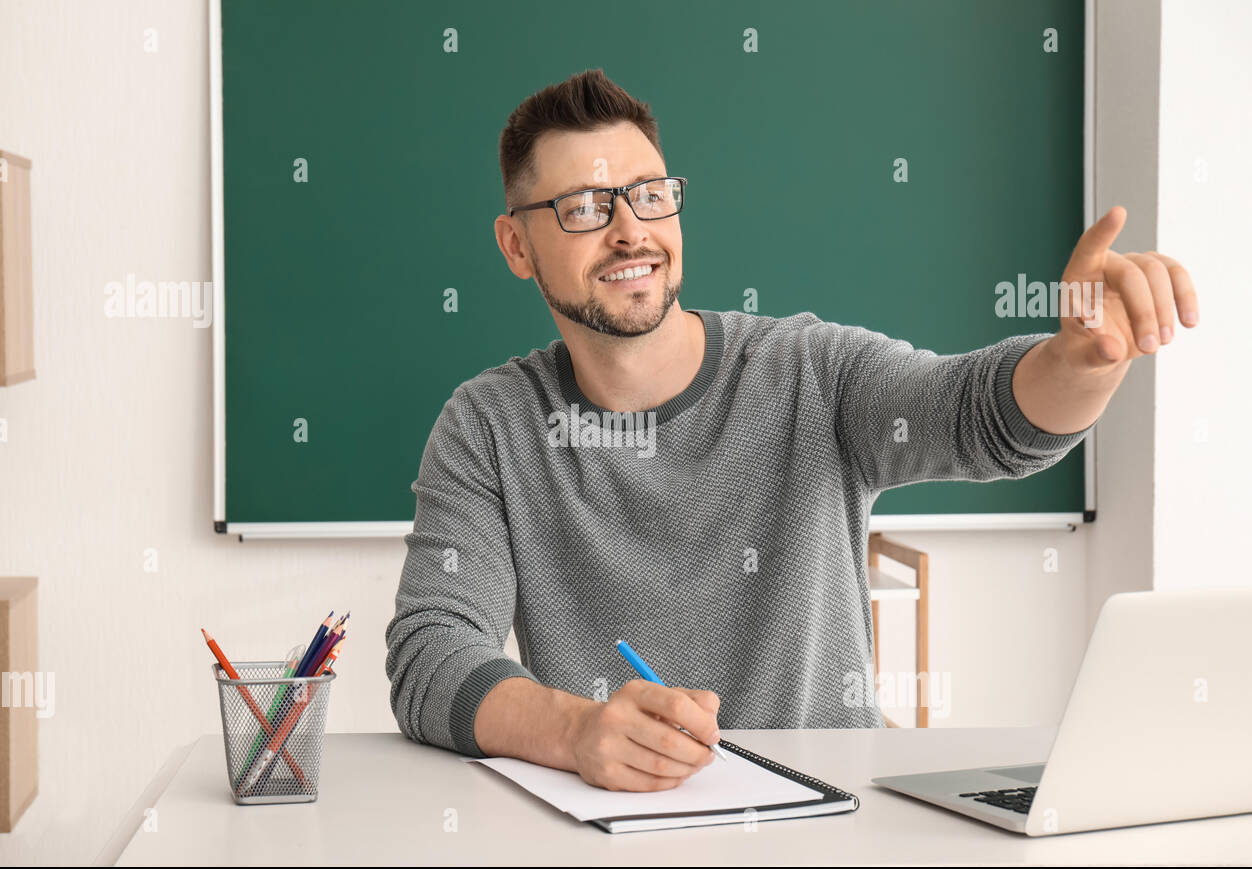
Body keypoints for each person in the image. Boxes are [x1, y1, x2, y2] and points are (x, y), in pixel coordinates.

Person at [386, 69, 1199, 793]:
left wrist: (1084, 359)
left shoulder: (809, 369)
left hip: (836, 820)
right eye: (585, 208)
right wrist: (574, 732)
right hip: (618, 827)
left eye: (649, 193)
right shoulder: (488, 425)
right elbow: (432, 653)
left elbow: (979, 415)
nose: (630, 229)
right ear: (517, 245)